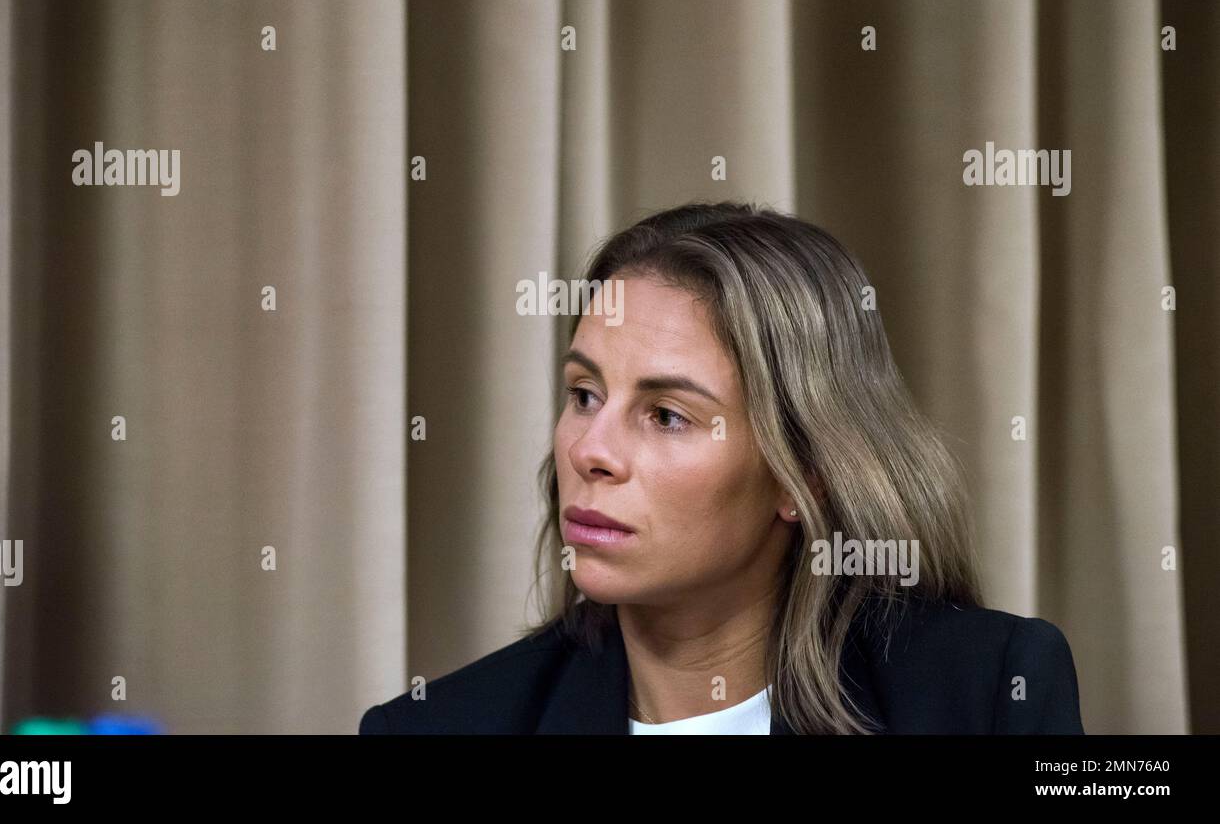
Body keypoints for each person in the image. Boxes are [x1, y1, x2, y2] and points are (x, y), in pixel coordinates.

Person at [359, 201, 1083, 734]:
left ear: (805, 472)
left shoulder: (989, 693)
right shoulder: (435, 727)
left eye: (666, 415)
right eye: (584, 394)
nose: (589, 451)